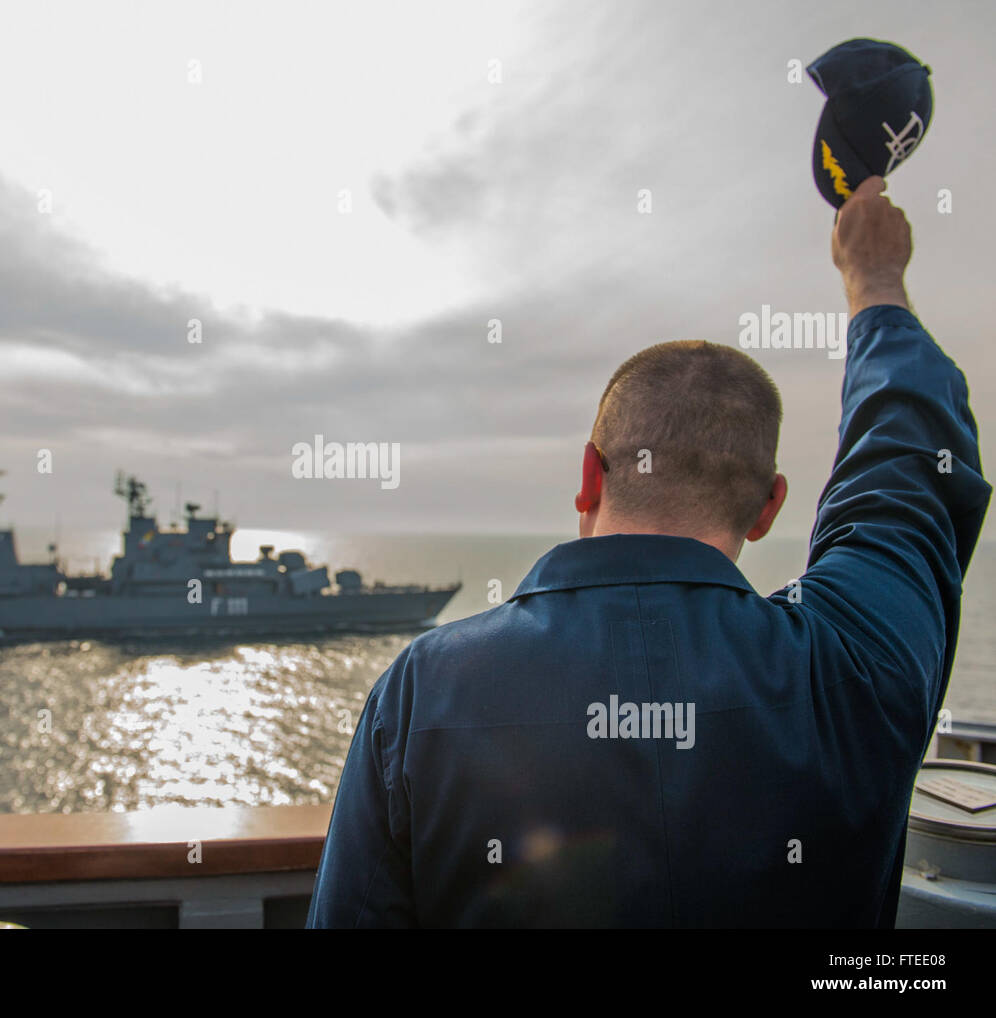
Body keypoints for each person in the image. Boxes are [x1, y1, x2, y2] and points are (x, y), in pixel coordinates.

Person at [305, 176, 990, 927]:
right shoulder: (855, 668)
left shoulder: (419, 691)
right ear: (768, 508)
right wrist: (876, 282)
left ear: (589, 475)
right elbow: (906, 477)